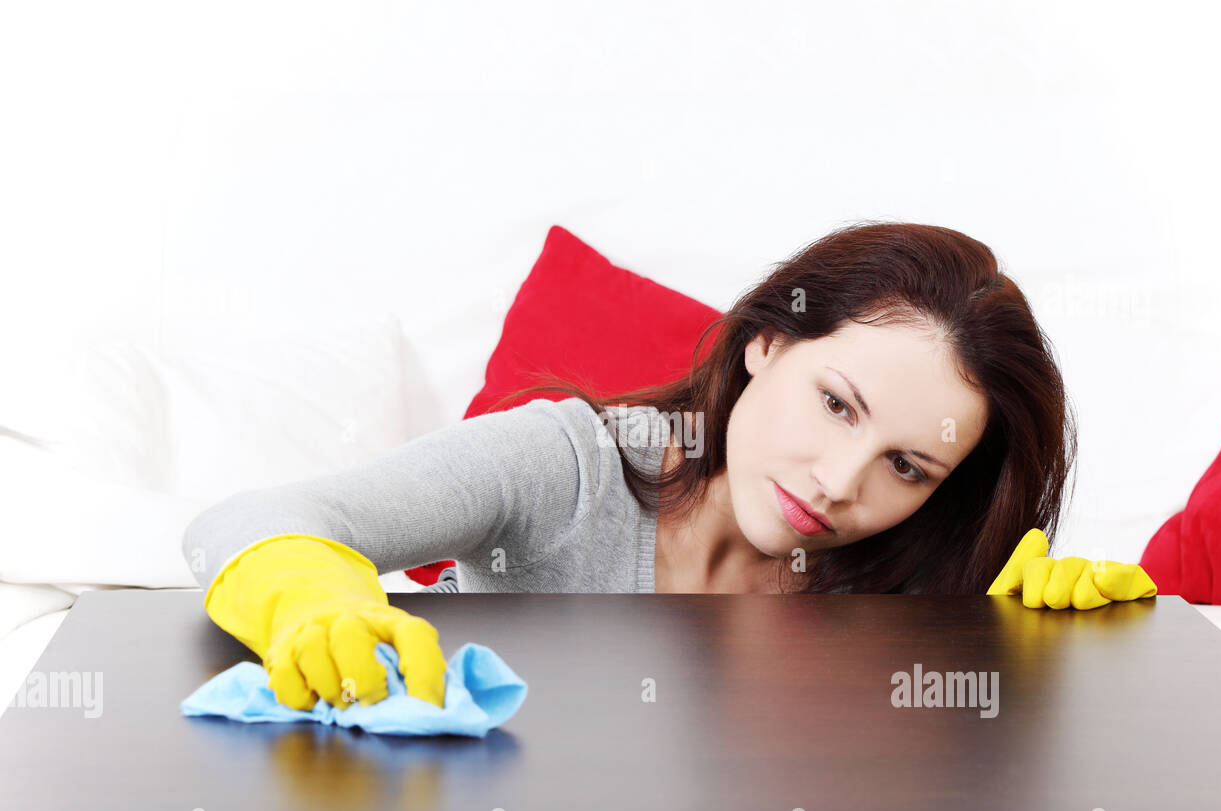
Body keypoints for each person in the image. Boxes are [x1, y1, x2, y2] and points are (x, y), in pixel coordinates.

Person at [183, 221, 1152, 714]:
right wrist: (312, 602)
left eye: (906, 463)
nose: (839, 481)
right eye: (835, 403)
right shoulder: (568, 462)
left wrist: (1038, 646)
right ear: (765, 344)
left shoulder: (915, 569)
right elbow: (259, 516)